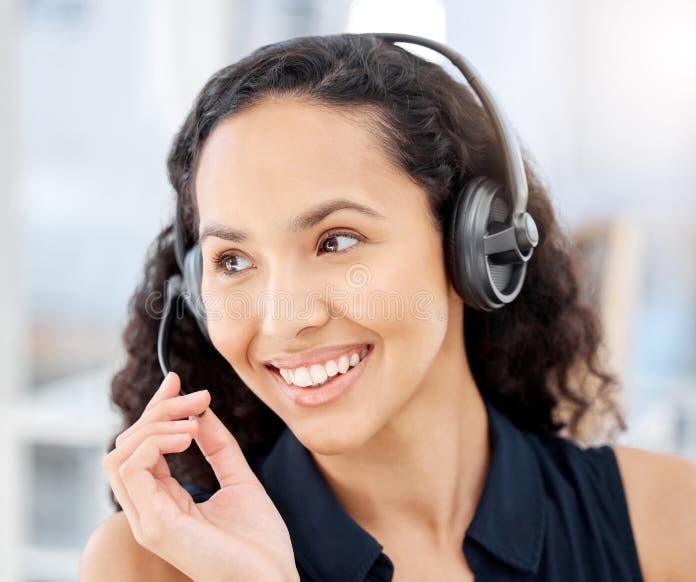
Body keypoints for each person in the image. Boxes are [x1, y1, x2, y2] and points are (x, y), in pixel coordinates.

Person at [80, 33, 696, 581]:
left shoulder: (668, 526)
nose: (283, 319)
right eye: (233, 261)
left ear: (477, 247)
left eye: (336, 241)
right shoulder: (150, 567)